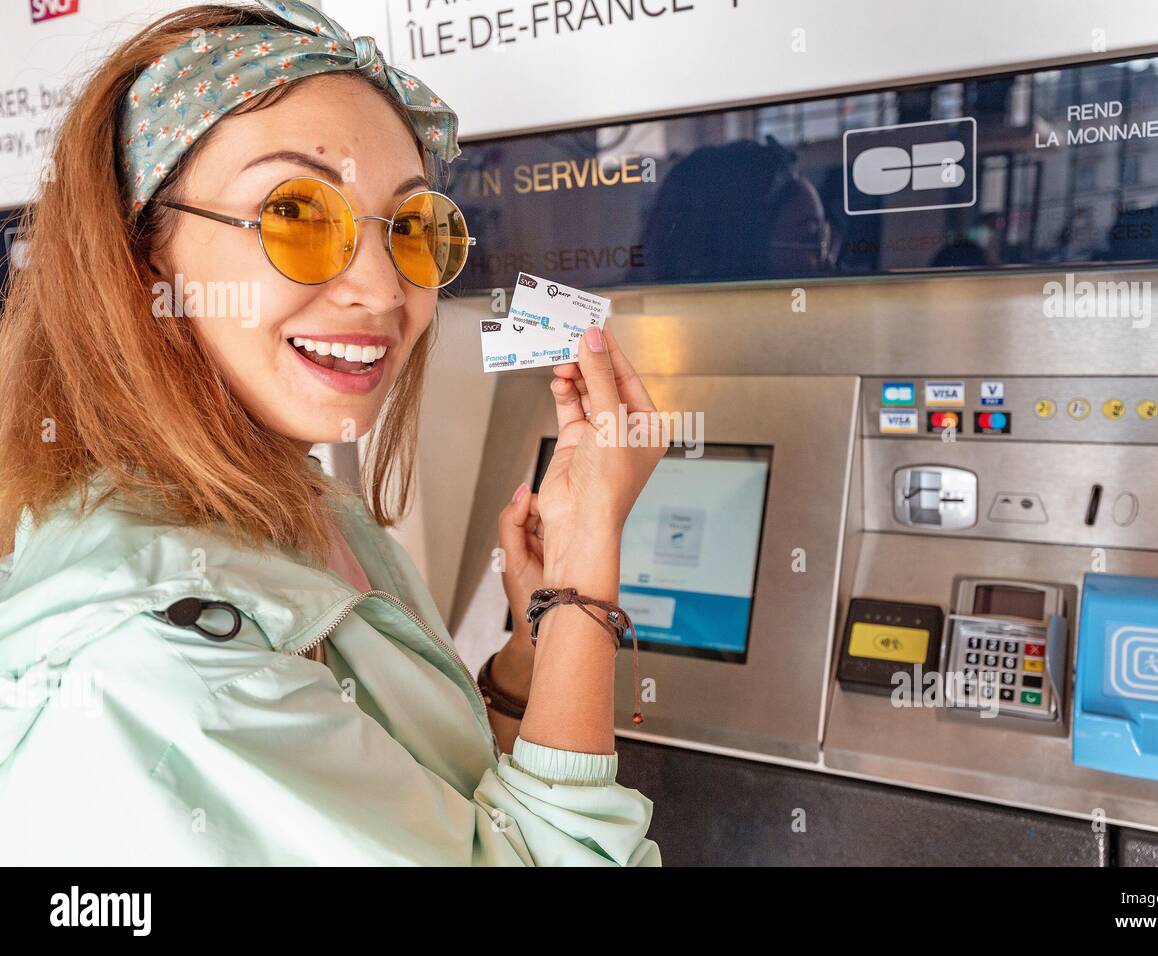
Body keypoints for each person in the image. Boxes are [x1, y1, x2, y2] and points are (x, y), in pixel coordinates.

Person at [0, 0, 664, 865]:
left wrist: (529, 661)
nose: (383, 290)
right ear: (143, 256)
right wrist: (580, 594)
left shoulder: (307, 509)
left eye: (413, 229)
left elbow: (434, 804)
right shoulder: (154, 665)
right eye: (298, 216)